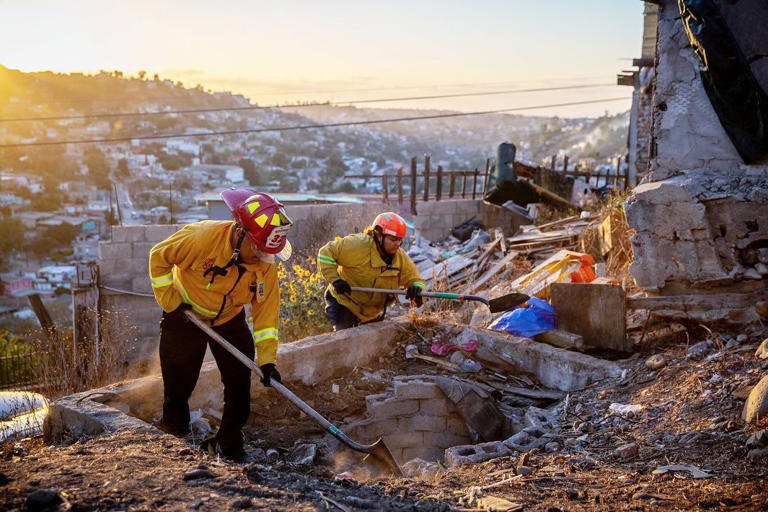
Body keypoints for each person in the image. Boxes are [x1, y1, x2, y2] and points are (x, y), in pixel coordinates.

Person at [148, 188, 292, 461]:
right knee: (179, 384)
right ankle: (173, 438)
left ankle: (229, 444)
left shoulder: (265, 265)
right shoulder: (200, 238)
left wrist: (268, 362)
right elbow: (158, 258)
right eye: (260, 251)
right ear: (241, 234)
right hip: (185, 316)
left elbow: (266, 316)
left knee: (239, 384)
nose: (264, 259)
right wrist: (171, 303)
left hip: (229, 320)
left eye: (268, 254)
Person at [317, 212, 426, 330]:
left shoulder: (400, 258)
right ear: (379, 235)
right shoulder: (356, 245)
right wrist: (335, 280)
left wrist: (417, 290)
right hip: (344, 302)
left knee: (370, 344)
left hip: (372, 312)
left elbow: (415, 279)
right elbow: (325, 254)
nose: (398, 244)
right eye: (393, 239)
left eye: (400, 240)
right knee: (346, 341)